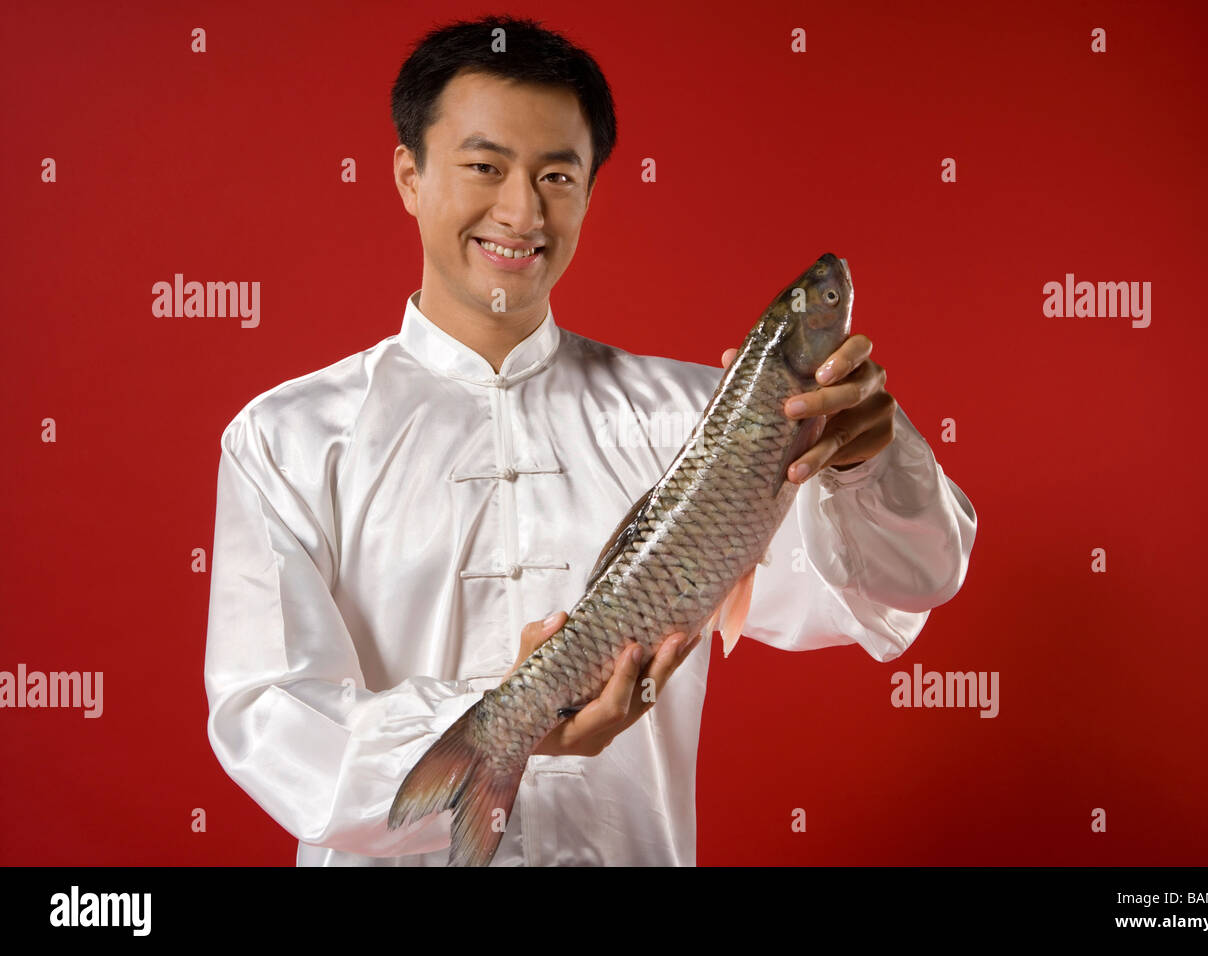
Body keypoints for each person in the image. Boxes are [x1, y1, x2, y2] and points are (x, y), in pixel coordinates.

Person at [203, 14, 977, 866]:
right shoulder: (285, 439)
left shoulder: (700, 422)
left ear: (589, 192)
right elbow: (269, 718)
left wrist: (870, 458)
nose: (521, 210)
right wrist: (507, 718)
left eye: (557, 176)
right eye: (484, 167)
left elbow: (899, 592)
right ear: (409, 175)